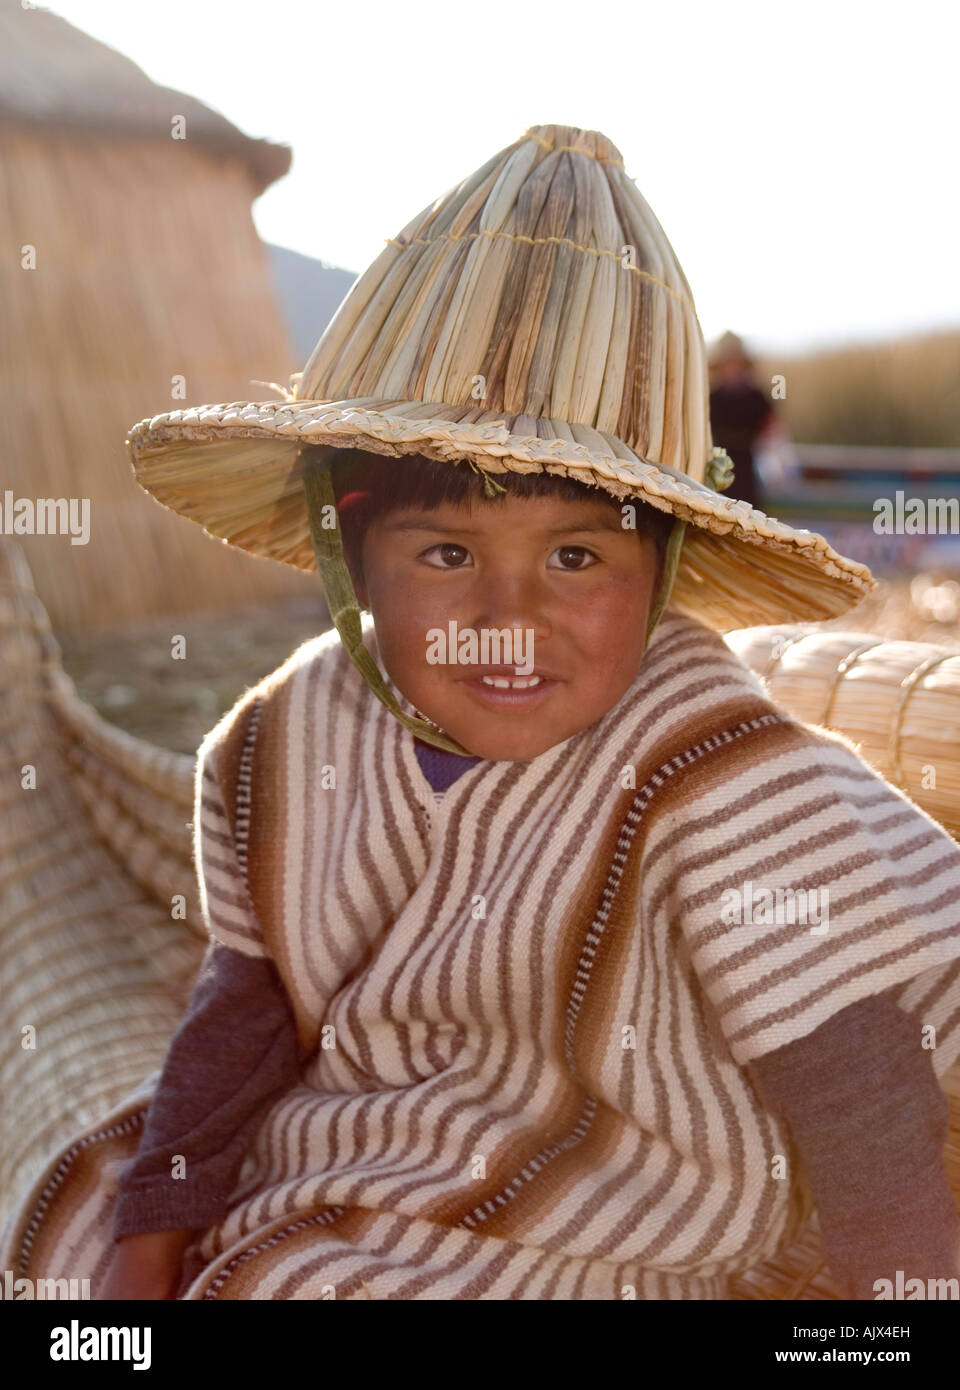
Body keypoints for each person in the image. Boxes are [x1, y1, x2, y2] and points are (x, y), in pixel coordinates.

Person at [4, 123, 960, 1302]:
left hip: (604, 1237)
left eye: (574, 558)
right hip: (341, 1169)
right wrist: (144, 1249)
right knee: (80, 1221)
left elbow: (856, 1079)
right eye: (447, 550)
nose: (510, 615)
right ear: (349, 556)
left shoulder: (706, 757)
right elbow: (246, 1009)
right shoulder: (288, 736)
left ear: (661, 570)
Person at [708, 331, 776, 511]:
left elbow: (771, 436)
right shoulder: (709, 399)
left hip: (748, 475)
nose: (731, 368)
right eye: (727, 363)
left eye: (735, 363)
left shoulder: (757, 398)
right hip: (716, 475)